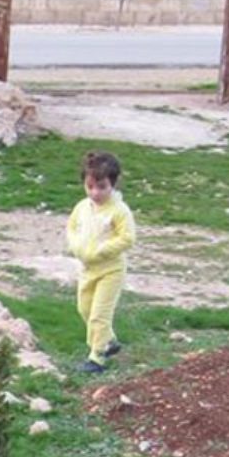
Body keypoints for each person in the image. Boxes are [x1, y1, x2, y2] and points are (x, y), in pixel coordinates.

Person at [65, 149, 135, 375]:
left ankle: (97, 358)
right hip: (87, 269)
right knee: (84, 309)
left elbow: (127, 238)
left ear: (112, 184)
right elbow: (72, 227)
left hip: (110, 270)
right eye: (90, 187)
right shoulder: (82, 207)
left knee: (99, 315)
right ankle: (110, 341)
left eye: (102, 187)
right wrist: (76, 246)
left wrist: (101, 251)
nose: (95, 193)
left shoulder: (119, 210)